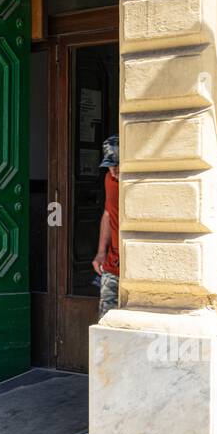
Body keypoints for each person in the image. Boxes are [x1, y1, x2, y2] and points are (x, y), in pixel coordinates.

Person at [91, 134, 122, 319]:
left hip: (134, 263)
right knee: (106, 319)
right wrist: (101, 252)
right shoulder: (110, 180)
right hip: (113, 262)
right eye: (110, 165)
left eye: (118, 164)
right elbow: (108, 213)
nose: (114, 171)